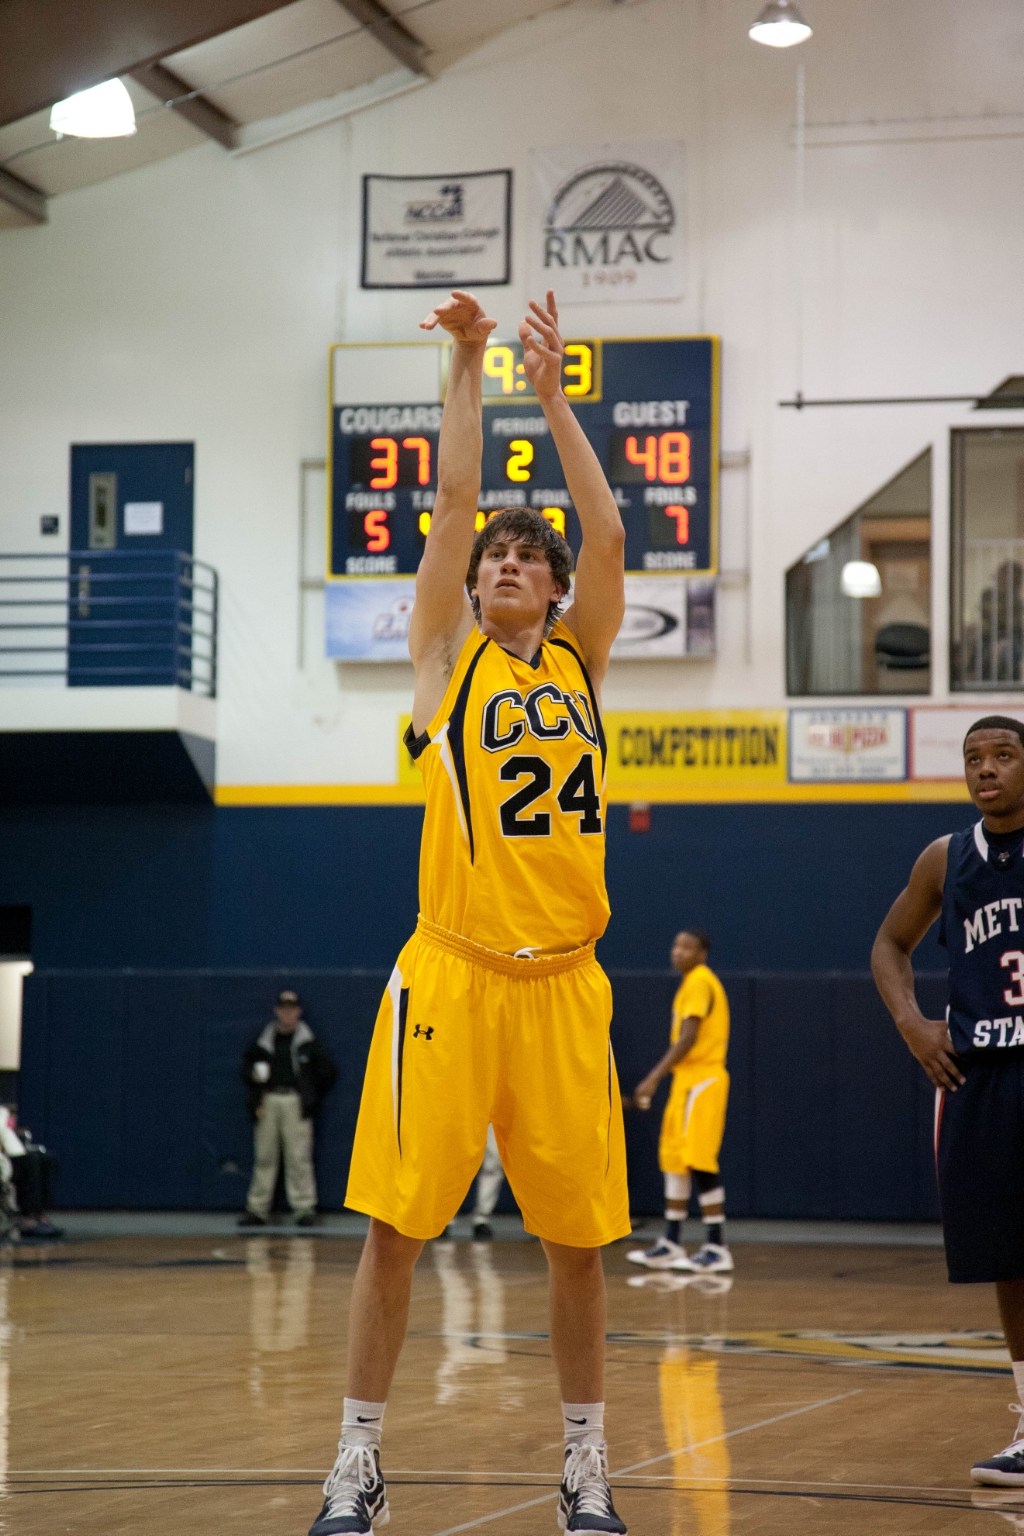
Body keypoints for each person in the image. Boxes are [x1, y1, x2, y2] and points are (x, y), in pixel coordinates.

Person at [309, 288, 630, 1536]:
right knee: (393, 1232)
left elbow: (606, 533)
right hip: (448, 974)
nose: (504, 561)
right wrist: (468, 365)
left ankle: (585, 1470)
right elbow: (445, 510)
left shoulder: (582, 665)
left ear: (550, 591)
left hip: (563, 984)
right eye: (496, 554)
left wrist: (553, 401)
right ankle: (355, 1463)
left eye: (524, 557)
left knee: (577, 1247)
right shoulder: (447, 659)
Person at [872, 716, 1024, 1487]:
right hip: (983, 1073)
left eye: (1002, 755)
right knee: (1008, 1257)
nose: (985, 769)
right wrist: (913, 1025)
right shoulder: (947, 858)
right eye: (973, 758)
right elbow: (888, 945)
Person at [626, 930, 732, 1275]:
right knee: (674, 1160)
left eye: (687, 946)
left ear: (703, 953)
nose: (678, 951)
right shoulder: (689, 983)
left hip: (703, 1079)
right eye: (675, 945)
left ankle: (717, 1246)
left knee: (700, 1160)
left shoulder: (701, 981)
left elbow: (688, 1038)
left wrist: (653, 1076)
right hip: (685, 1081)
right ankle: (672, 1242)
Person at [239, 989, 337, 1229]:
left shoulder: (308, 1044)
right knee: (265, 1156)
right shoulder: (264, 1043)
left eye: (291, 1009)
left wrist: (310, 1096)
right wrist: (255, 1083)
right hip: (269, 1100)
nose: (287, 1013)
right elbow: (246, 1070)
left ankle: (304, 1208)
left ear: (298, 1012)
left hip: (295, 1102)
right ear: (277, 1011)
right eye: (283, 1009)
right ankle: (257, 1208)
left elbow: (326, 1073)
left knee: (298, 1157)